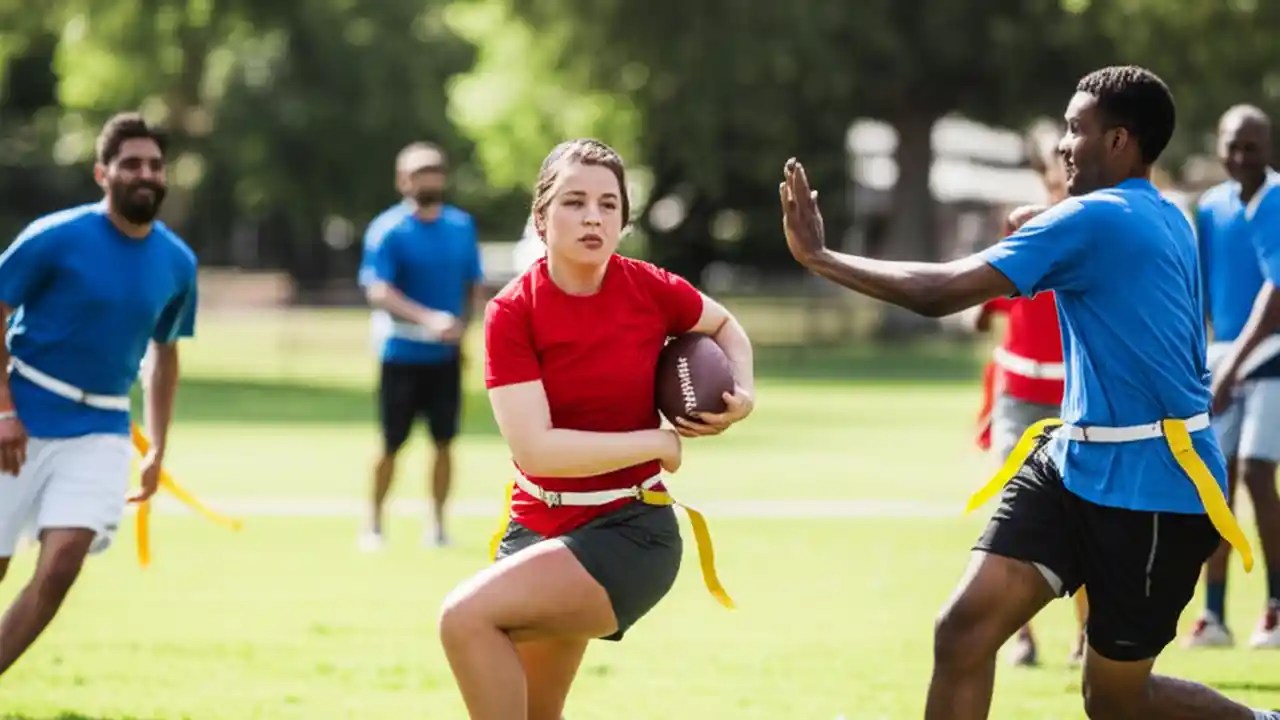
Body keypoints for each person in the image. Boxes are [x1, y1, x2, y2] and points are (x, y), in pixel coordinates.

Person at [781, 66, 1279, 719]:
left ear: (1121, 141)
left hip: (1155, 491)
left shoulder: (1093, 220)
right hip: (1072, 467)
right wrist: (1047, 223)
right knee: (963, 632)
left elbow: (938, 293)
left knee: (1115, 703)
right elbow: (1108, 246)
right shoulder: (1166, 212)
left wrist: (822, 257)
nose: (1064, 145)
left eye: (1077, 129)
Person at [437, 138, 755, 720]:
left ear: (624, 219)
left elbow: (727, 326)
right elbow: (536, 450)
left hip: (629, 531)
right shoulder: (513, 311)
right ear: (541, 216)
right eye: (574, 201)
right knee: (537, 711)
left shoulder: (650, 288)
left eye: (609, 205)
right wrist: (658, 442)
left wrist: (745, 393)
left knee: (465, 618)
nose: (593, 217)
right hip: (535, 527)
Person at [0, 112, 198, 676]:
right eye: (131, 163)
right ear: (102, 174)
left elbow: (165, 352)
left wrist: (157, 446)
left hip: (103, 430)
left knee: (62, 565)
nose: (146, 174)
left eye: (156, 165)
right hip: (24, 413)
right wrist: (4, 409)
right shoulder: (56, 238)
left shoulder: (179, 262)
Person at [970, 126, 1088, 668]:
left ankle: (1087, 634)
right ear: (1045, 180)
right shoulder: (1023, 230)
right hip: (1019, 392)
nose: (1060, 188)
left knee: (1082, 515)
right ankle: (1021, 636)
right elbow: (985, 304)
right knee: (1014, 512)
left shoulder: (1088, 234)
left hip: (1071, 396)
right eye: (1054, 178)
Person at [1184, 104, 1280, 650]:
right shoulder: (1212, 207)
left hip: (1272, 358)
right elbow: (1199, 295)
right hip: (1222, 361)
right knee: (1215, 484)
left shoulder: (1279, 200)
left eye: (1253, 145)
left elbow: (1276, 297)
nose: (1242, 156)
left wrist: (1231, 369)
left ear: (1268, 147)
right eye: (1233, 145)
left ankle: (1275, 608)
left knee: (1259, 475)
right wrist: (1200, 365)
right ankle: (1213, 615)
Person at [357, 142, 485, 551]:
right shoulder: (388, 230)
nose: (427, 177)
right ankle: (374, 523)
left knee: (445, 442)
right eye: (418, 171)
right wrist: (428, 319)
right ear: (402, 179)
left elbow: (473, 284)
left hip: (445, 359)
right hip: (401, 355)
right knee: (391, 443)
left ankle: (438, 525)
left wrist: (465, 329)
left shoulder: (462, 227)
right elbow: (378, 290)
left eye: (434, 169)